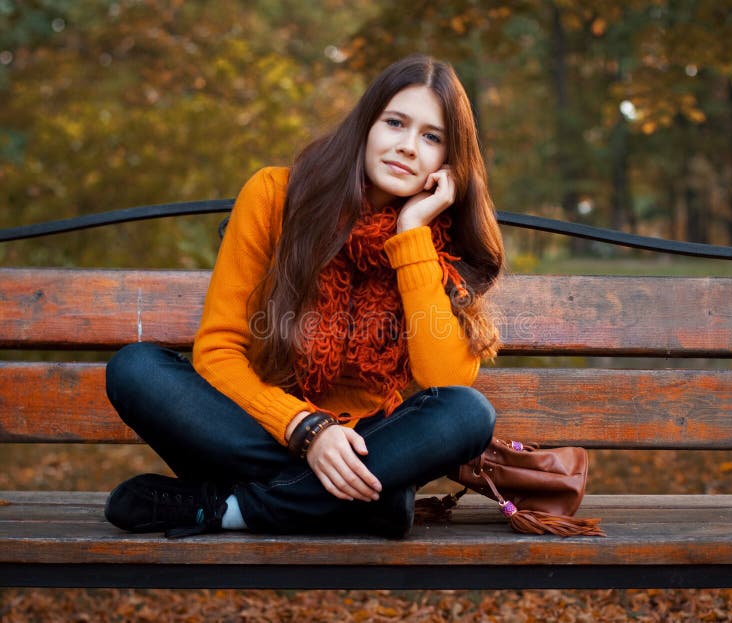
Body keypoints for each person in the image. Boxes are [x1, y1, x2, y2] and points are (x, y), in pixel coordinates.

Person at [103, 54, 505, 540]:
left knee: (468, 413)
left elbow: (443, 378)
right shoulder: (276, 195)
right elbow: (218, 350)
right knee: (136, 370)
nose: (407, 147)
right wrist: (305, 429)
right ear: (366, 124)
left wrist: (411, 233)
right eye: (395, 123)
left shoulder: (435, 238)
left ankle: (230, 507)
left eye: (431, 137)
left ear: (447, 160)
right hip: (256, 426)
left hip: (365, 444)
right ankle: (362, 506)